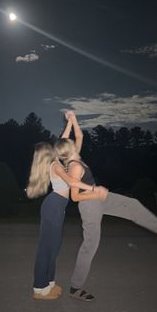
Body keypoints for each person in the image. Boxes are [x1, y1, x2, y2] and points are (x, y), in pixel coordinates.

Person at [55, 111, 157, 302]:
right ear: (69, 151)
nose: (77, 142)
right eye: (72, 144)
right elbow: (75, 196)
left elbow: (77, 136)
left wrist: (73, 120)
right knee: (90, 245)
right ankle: (76, 287)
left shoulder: (71, 156)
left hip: (100, 198)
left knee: (132, 204)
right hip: (89, 204)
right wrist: (97, 191)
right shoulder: (74, 166)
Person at [26, 118, 108, 301]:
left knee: (54, 247)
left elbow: (64, 139)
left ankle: (49, 284)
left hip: (57, 207)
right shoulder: (55, 165)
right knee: (46, 248)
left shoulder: (59, 160)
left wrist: (70, 120)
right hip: (53, 206)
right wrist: (95, 189)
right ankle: (39, 289)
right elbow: (71, 182)